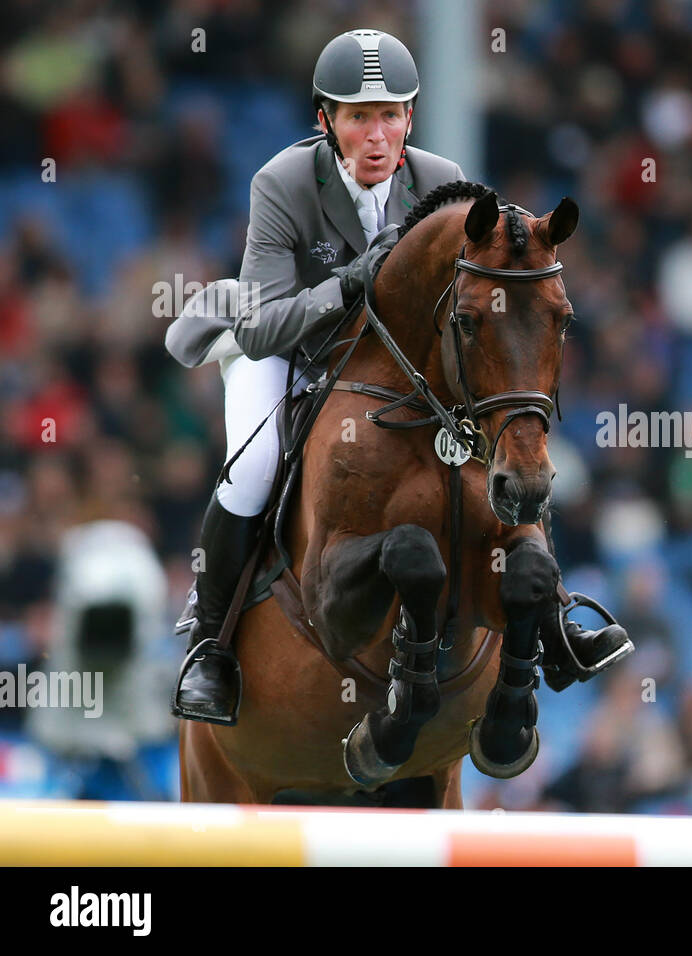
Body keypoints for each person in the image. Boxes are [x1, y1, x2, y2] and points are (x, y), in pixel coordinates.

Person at [165, 29, 629, 726]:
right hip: (290, 347)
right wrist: (350, 284)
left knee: (505, 435)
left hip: (392, 365)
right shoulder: (282, 184)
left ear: (410, 117)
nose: (377, 135)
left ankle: (554, 617)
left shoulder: (443, 180)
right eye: (357, 117)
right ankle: (212, 645)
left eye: (390, 115)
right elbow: (262, 326)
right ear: (325, 120)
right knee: (257, 464)